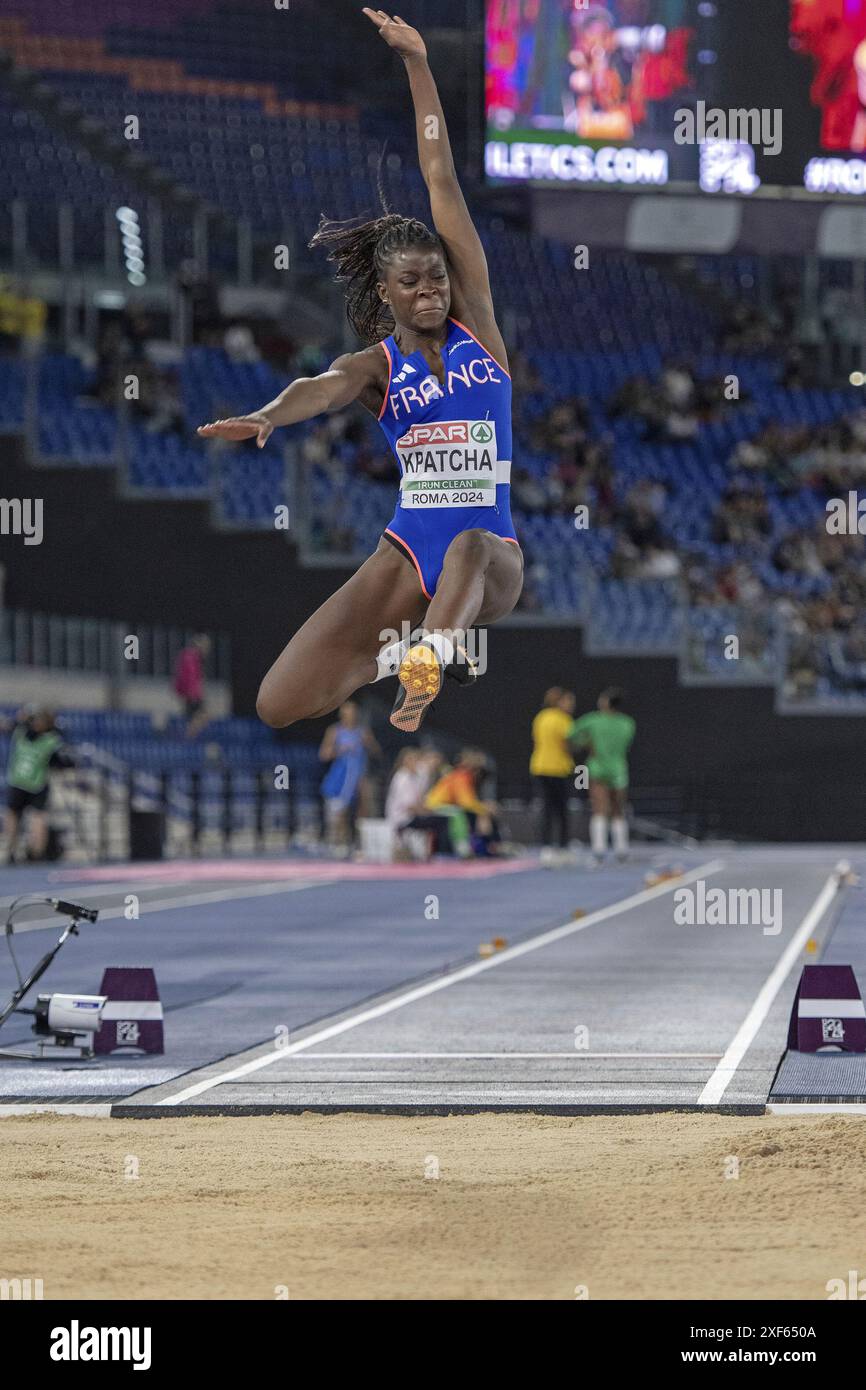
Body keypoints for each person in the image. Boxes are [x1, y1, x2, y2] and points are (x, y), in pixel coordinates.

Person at [198, 11, 523, 736]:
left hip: (491, 557)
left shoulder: (480, 329)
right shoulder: (376, 365)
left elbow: (438, 174)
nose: (432, 290)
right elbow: (321, 389)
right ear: (386, 294)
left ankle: (432, 658)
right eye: (413, 283)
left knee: (470, 544)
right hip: (408, 550)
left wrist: (417, 62)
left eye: (437, 276)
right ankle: (413, 654)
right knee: (279, 702)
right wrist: (268, 416)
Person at [569, 687, 635, 864]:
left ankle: (599, 850)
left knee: (599, 809)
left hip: (598, 769)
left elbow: (571, 734)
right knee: (618, 810)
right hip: (618, 769)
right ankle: (622, 849)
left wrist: (586, 742)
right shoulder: (627, 723)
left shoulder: (593, 720)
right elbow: (627, 743)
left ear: (605, 702)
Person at [3, 707, 75, 864]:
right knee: (24, 817)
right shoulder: (51, 739)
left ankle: (26, 852)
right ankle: (29, 853)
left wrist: (22, 717)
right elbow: (66, 760)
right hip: (32, 783)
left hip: (23, 782)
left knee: (31, 818)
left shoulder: (22, 732)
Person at [319, 701, 380, 851]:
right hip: (340, 777)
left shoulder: (363, 732)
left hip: (358, 777)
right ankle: (338, 843)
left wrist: (369, 744)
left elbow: (376, 752)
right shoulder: (334, 731)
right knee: (339, 813)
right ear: (342, 714)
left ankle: (361, 845)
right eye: (347, 713)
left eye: (353, 713)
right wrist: (339, 750)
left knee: (364, 810)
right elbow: (323, 755)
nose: (350, 716)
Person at [424, 748, 500, 856]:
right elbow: (466, 803)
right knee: (458, 814)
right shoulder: (461, 777)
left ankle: (488, 846)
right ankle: (463, 849)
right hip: (436, 806)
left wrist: (483, 808)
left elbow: (471, 801)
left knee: (473, 813)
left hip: (447, 806)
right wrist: (484, 810)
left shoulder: (467, 778)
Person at [530, 687, 575, 859]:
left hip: (539, 767)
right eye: (568, 701)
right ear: (559, 701)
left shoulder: (540, 717)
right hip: (558, 769)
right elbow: (568, 744)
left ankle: (546, 849)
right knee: (562, 810)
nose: (571, 704)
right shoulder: (564, 720)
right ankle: (563, 849)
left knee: (547, 808)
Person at [173, 634, 211, 738]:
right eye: (206, 646)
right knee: (202, 715)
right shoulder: (190, 657)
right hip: (192, 695)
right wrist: (193, 694)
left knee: (200, 717)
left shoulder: (196, 658)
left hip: (191, 694)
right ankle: (187, 737)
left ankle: (188, 736)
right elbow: (189, 677)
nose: (207, 650)